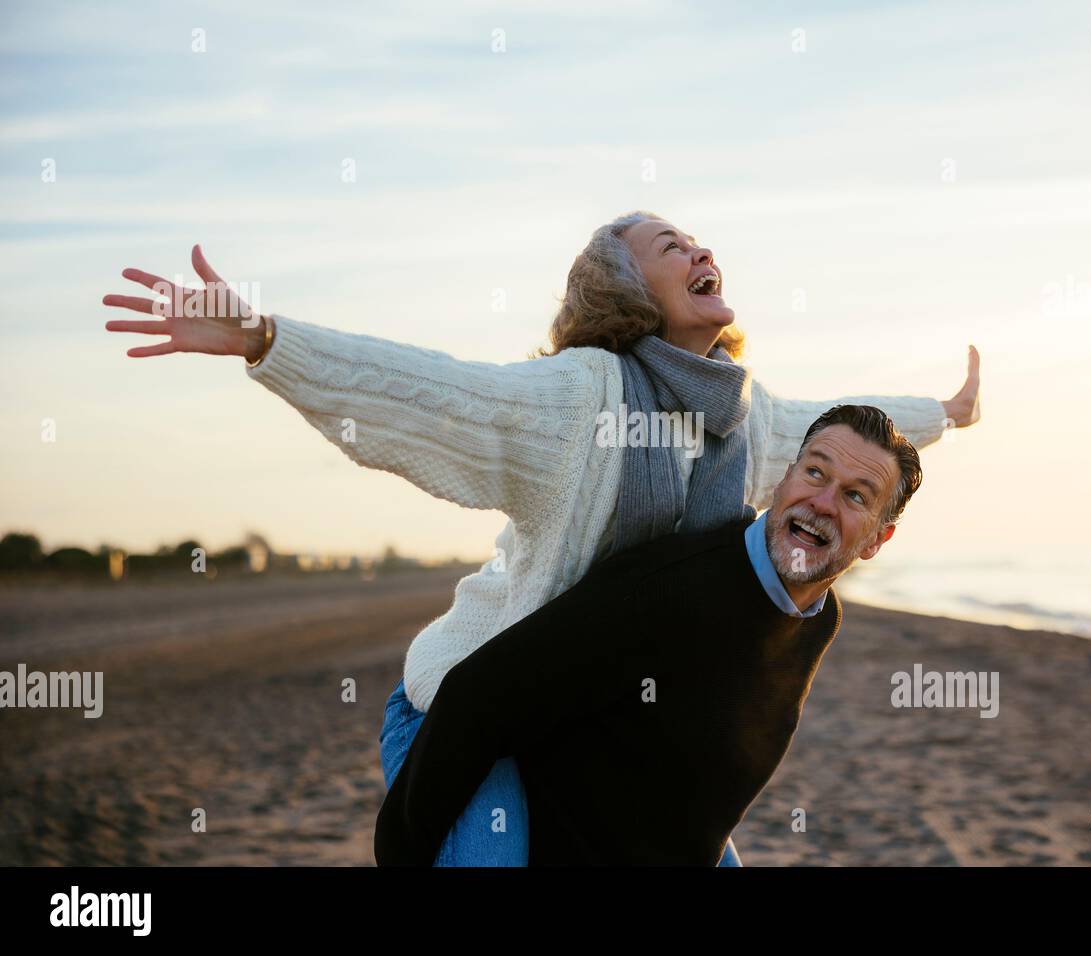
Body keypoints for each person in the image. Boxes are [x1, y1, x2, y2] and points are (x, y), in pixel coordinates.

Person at [102, 211, 981, 866]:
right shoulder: (580, 401)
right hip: (467, 715)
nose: (700, 250)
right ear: (628, 291)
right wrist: (267, 340)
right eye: (670, 247)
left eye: (699, 241)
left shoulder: (741, 423)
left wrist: (944, 413)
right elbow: (429, 395)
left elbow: (839, 442)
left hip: (586, 727)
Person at [376, 403, 920, 865]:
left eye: (857, 497)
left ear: (877, 539)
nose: (823, 502)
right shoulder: (670, 589)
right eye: (816, 474)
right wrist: (400, 853)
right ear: (784, 480)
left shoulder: (819, 617)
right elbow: (478, 696)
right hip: (492, 775)